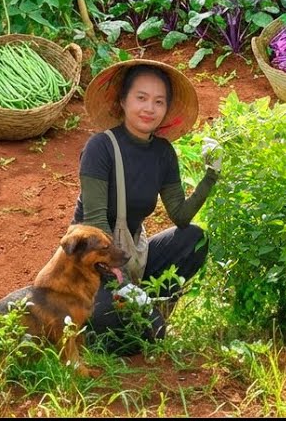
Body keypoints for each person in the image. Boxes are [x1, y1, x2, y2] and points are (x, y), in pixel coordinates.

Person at [73, 59, 221, 353]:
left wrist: (210, 176)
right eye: (141, 98)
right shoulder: (100, 147)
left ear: (166, 109)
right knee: (114, 332)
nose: (149, 109)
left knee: (195, 238)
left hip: (131, 253)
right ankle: (129, 313)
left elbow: (180, 215)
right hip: (92, 258)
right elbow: (95, 223)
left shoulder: (163, 153)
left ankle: (152, 310)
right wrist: (123, 281)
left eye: (158, 101)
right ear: (123, 101)